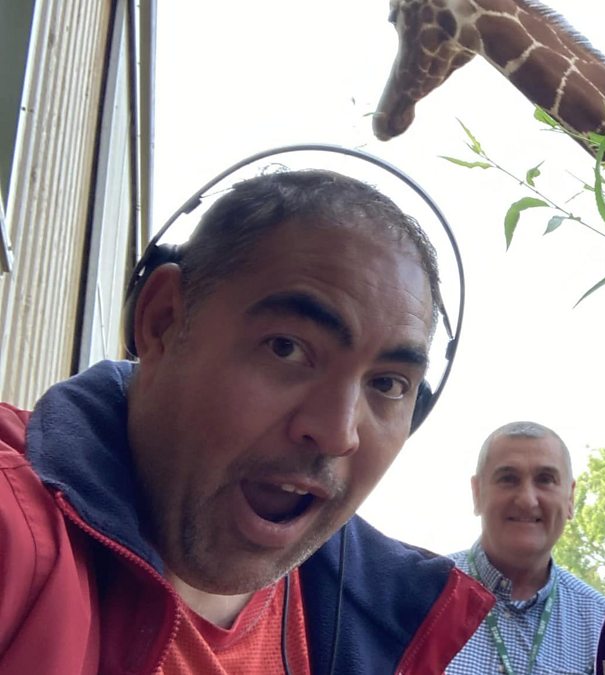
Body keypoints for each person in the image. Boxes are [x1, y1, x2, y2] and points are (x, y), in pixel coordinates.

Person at [0, 169, 492, 674]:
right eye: (287, 348)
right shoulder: (17, 524)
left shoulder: (393, 630)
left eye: (387, 384)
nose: (337, 433)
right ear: (162, 321)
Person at [447, 421, 605, 675]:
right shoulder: (421, 596)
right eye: (508, 479)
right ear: (477, 493)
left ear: (570, 498)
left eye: (545, 480)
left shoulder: (602, 627)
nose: (527, 500)